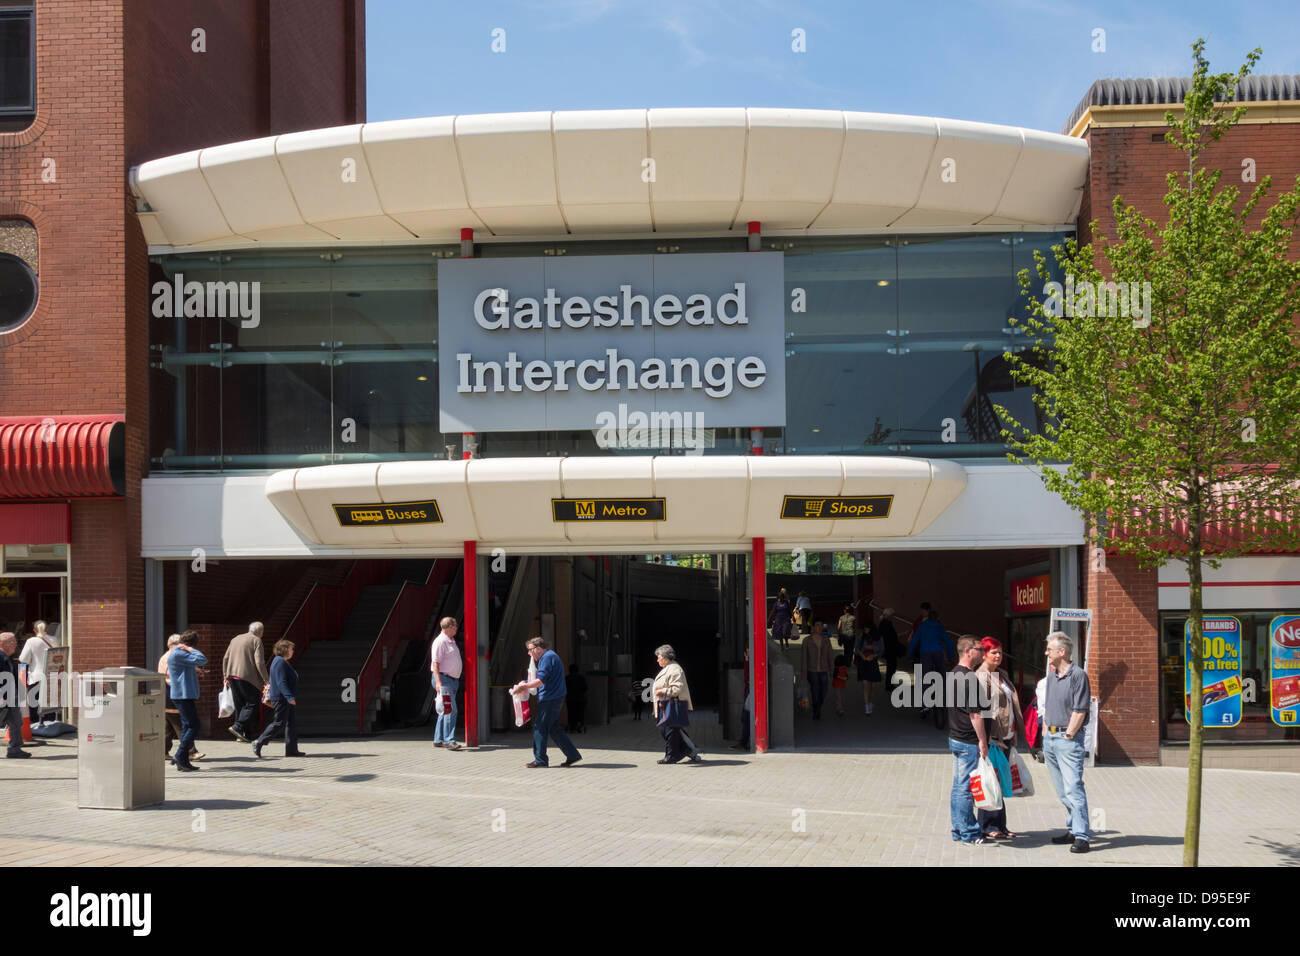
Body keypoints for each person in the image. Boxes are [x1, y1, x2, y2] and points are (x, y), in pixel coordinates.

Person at [1042, 632, 1092, 853]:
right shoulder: (1052, 676)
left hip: (1067, 740)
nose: (1046, 653)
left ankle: (1082, 836)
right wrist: (1046, 733)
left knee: (1073, 788)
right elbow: (1048, 707)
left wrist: (1069, 735)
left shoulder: (1078, 676)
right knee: (1062, 791)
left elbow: (1080, 710)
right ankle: (1073, 829)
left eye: (1049, 650)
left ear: (1062, 652)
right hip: (1051, 739)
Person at [976, 637, 1024, 839]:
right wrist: (989, 739)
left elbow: (1010, 705)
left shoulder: (1001, 674)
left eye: (1000, 652)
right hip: (994, 737)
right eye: (993, 652)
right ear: (984, 654)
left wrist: (1014, 732)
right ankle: (987, 826)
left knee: (1000, 781)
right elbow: (982, 711)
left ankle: (1001, 825)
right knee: (990, 781)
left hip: (1007, 734)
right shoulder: (981, 677)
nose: (998, 656)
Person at [512, 637, 582, 768]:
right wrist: (525, 683)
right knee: (554, 728)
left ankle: (541, 760)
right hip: (554, 697)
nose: (529, 653)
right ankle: (573, 755)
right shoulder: (550, 656)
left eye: (530, 650)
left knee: (539, 727)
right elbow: (542, 679)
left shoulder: (547, 658)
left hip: (550, 699)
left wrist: (524, 686)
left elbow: (540, 681)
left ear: (538, 649)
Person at [947, 635, 989, 845]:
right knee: (965, 789)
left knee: (958, 786)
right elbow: (976, 714)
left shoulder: (952, 674)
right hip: (968, 740)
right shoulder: (970, 678)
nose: (982, 653)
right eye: (979, 649)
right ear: (967, 651)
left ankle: (958, 829)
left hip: (955, 737)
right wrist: (982, 740)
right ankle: (969, 833)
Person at [253, 640, 304, 758]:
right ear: (285, 650)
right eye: (291, 649)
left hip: (284, 697)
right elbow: (281, 682)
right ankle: (259, 741)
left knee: (291, 724)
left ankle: (292, 750)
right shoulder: (280, 662)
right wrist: (289, 697)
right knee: (279, 723)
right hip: (282, 698)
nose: (292, 651)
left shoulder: (281, 661)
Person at [222, 621, 269, 744]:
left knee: (240, 706)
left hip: (232, 676)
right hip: (248, 678)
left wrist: (225, 675)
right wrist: (266, 679)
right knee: (252, 704)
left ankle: (243, 734)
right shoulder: (256, 641)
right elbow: (259, 662)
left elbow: (225, 658)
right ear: (260, 631)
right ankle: (238, 727)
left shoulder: (235, 639)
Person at [909, 604, 955, 727]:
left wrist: (910, 654)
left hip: (926, 655)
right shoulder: (939, 627)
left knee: (925, 678)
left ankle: (925, 703)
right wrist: (950, 657)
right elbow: (949, 643)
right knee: (942, 675)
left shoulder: (923, 626)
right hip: (938, 654)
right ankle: (945, 695)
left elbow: (914, 641)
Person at [167, 630, 207, 772]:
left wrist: (195, 670)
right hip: (182, 695)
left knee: (186, 726)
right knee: (194, 725)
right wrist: (190, 649)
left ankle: (183, 761)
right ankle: (179, 755)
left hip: (183, 695)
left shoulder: (179, 653)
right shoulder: (180, 652)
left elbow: (185, 667)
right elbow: (202, 659)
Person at [650, 644, 695, 764]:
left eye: (659, 657)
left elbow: (677, 688)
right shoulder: (668, 668)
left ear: (665, 657)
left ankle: (672, 755)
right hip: (664, 705)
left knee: (670, 731)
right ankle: (685, 749)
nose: (657, 660)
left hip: (671, 705)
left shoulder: (674, 669)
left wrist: (662, 691)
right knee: (668, 730)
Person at [430, 617, 464, 751]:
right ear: (449, 627)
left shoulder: (450, 640)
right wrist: (438, 682)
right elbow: (435, 663)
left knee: (445, 710)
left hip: (451, 680)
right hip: (445, 680)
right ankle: (449, 740)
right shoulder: (441, 642)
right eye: (455, 626)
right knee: (451, 710)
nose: (457, 628)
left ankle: (438, 739)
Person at [18, 621, 54, 724]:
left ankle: (36, 725)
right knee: (50, 705)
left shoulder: (31, 641)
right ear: (47, 629)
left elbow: (23, 659)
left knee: (34, 704)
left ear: (34, 630)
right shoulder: (54, 639)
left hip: (36, 677)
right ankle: (49, 724)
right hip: (52, 676)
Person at [0, 633, 30, 759]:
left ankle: (15, 750)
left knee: (16, 723)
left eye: (15, 641)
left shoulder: (9, 658)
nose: (15, 644)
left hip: (11, 697)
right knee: (14, 722)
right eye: (12, 642)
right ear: (2, 644)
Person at [158, 634, 185, 762]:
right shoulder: (171, 656)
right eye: (180, 644)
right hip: (171, 692)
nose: (182, 647)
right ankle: (190, 751)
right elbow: (170, 675)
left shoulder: (166, 656)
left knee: (168, 726)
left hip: (166, 692)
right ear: (172, 645)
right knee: (181, 724)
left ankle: (163, 751)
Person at [802, 622, 834, 720]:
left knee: (824, 691)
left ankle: (817, 706)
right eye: (817, 625)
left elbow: (830, 655)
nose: (819, 627)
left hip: (824, 670)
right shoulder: (807, 640)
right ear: (813, 627)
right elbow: (804, 658)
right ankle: (816, 711)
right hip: (812, 671)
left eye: (821, 626)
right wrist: (803, 674)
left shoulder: (826, 640)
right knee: (815, 691)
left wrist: (831, 669)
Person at [853, 619, 882, 714]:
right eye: (864, 628)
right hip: (863, 662)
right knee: (865, 685)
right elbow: (856, 649)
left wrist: (873, 653)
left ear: (871, 629)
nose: (865, 630)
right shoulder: (860, 637)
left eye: (867, 628)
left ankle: (870, 703)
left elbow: (882, 650)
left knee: (873, 686)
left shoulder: (878, 638)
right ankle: (866, 706)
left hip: (873, 663)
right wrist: (862, 655)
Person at [877, 607, 902, 689]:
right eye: (892, 615)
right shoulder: (887, 624)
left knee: (891, 667)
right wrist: (899, 636)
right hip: (889, 649)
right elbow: (890, 637)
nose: (893, 617)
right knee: (892, 667)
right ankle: (889, 685)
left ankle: (889, 684)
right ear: (889, 615)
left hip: (887, 648)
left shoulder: (883, 623)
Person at [566, 662, 588, 733]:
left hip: (570, 699)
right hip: (580, 698)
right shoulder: (581, 677)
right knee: (580, 713)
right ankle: (580, 725)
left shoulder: (567, 678)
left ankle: (572, 727)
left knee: (571, 713)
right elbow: (585, 688)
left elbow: (564, 688)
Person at [831, 653, 848, 717]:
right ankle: (839, 709)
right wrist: (842, 678)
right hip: (837, 685)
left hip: (842, 685)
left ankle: (839, 707)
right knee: (839, 697)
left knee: (841, 696)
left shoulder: (844, 668)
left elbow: (846, 675)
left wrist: (846, 677)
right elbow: (835, 675)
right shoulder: (837, 668)